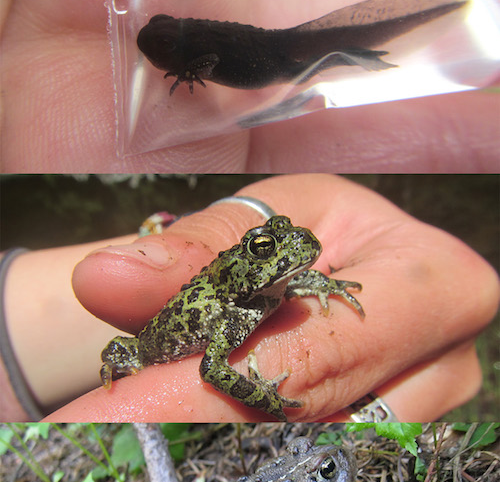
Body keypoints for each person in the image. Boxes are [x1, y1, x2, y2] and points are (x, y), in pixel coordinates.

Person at [1, 175, 498, 421]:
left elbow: (284, 286)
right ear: (243, 264)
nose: (290, 245)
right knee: (119, 353)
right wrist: (265, 399)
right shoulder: (230, 311)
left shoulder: (264, 292)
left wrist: (323, 281)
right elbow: (212, 369)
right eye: (263, 247)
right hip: (149, 347)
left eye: (280, 235)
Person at [0, 0, 499, 173]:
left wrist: (191, 72)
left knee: (318, 60)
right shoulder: (194, 38)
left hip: (272, 60)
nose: (161, 40)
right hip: (267, 59)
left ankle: (360, 56)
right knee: (315, 59)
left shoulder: (201, 50)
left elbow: (212, 60)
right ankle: (357, 54)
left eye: (166, 37)